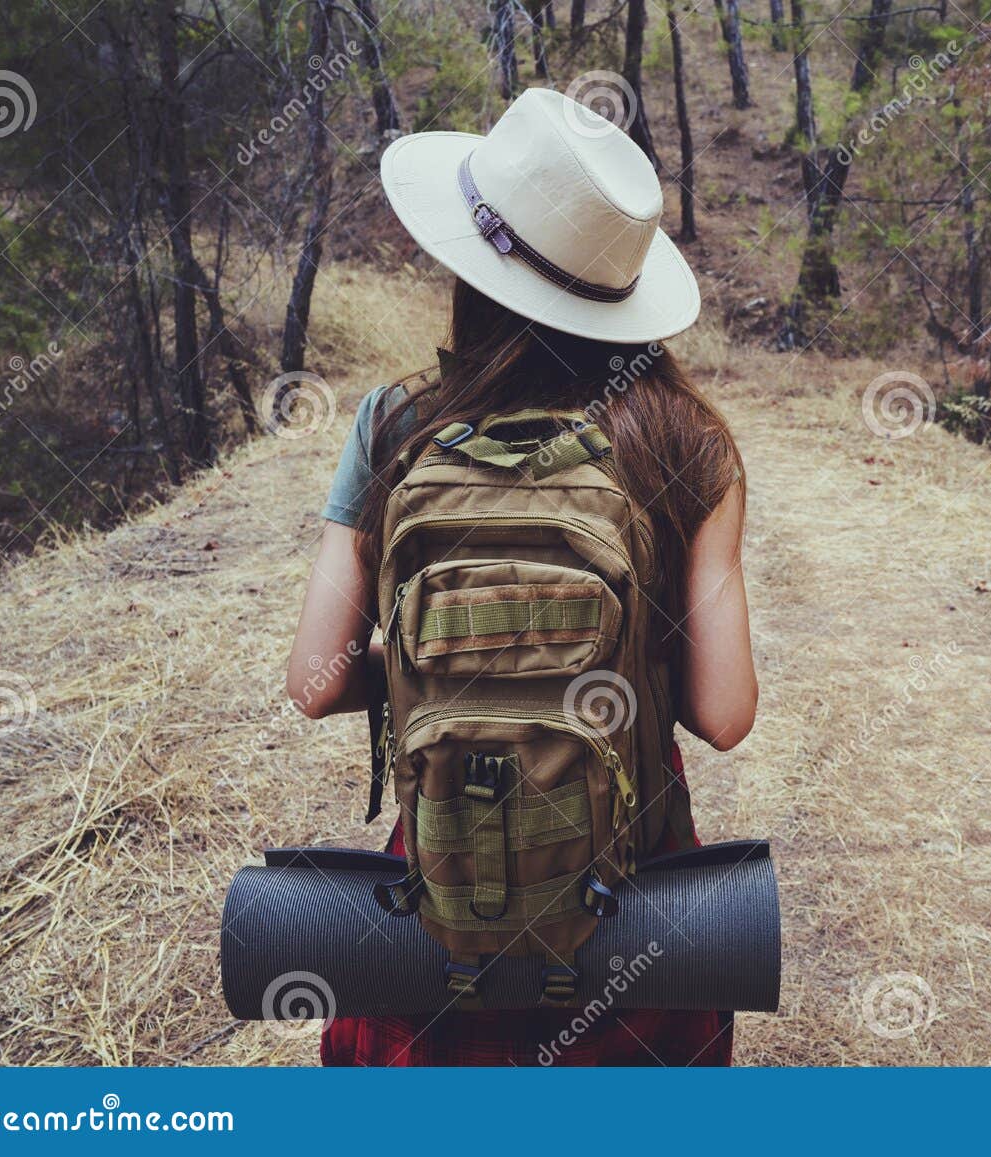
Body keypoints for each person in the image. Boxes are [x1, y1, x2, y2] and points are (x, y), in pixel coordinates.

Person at [284, 88, 757, 1065]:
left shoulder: (393, 424)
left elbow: (317, 678)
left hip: (446, 870)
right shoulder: (687, 443)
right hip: (630, 882)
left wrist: (445, 657)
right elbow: (722, 710)